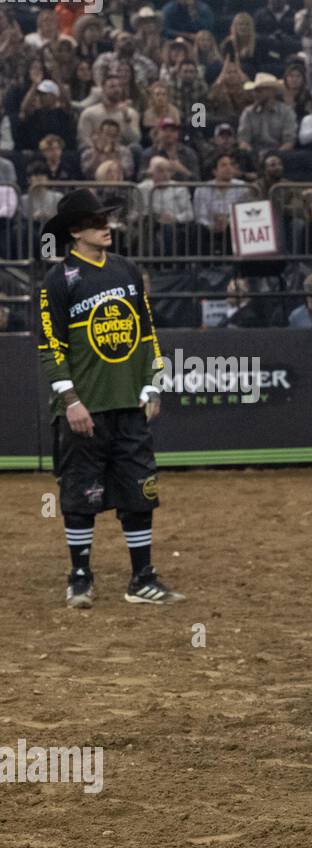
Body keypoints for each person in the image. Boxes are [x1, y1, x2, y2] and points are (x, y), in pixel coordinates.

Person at [36, 189, 184, 608]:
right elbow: (50, 345)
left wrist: (154, 382)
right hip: (85, 407)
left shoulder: (127, 270)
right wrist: (70, 400)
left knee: (140, 491)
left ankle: (142, 577)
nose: (108, 228)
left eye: (107, 221)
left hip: (129, 404)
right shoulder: (59, 280)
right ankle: (80, 575)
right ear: (76, 232)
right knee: (80, 494)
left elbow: (147, 331)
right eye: (98, 223)